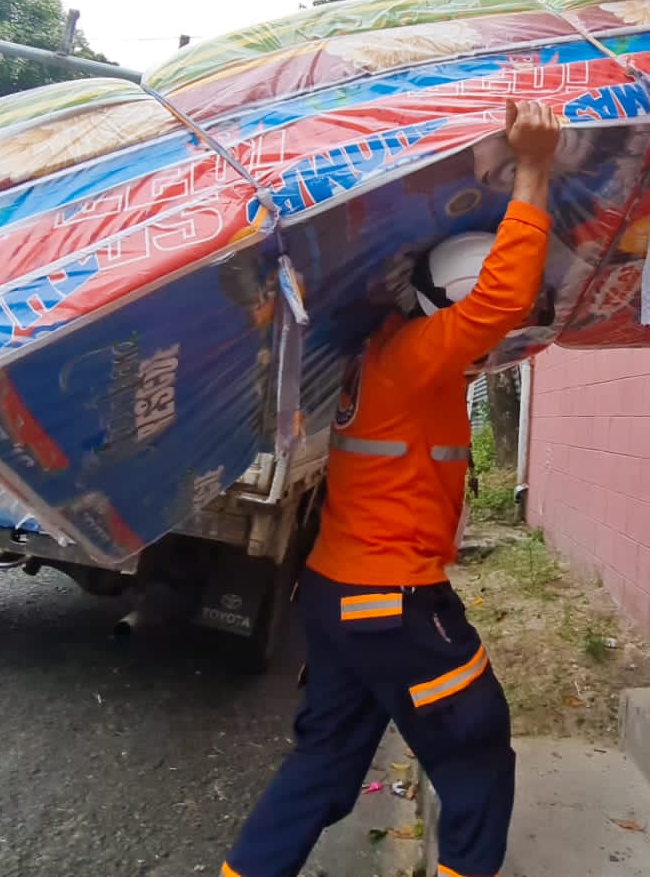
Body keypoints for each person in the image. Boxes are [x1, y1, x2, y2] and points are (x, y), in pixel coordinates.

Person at [221, 99, 559, 877]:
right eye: (482, 330)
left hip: (338, 595)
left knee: (326, 762)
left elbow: (500, 312)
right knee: (474, 745)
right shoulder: (420, 359)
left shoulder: (387, 353)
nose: (495, 343)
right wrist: (535, 167)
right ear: (453, 308)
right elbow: (503, 295)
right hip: (390, 604)